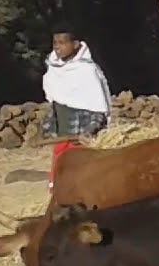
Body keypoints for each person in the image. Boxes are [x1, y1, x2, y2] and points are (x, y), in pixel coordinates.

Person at [40, 29, 113, 190]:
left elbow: (98, 107)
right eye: (55, 43)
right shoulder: (53, 70)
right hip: (61, 139)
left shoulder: (86, 71)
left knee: (81, 184)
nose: (58, 47)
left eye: (62, 43)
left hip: (81, 141)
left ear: (75, 44)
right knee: (59, 184)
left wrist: (89, 131)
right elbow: (54, 104)